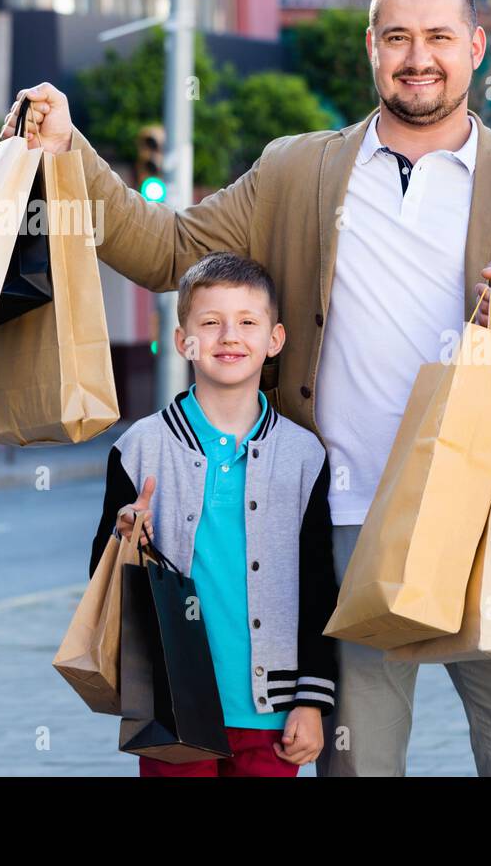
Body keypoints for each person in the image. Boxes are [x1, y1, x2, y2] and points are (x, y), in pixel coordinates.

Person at [6, 0, 491, 777]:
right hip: (340, 523)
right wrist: (72, 153)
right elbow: (171, 252)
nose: (419, 57)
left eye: (439, 36)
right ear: (372, 47)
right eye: (398, 37)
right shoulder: (297, 170)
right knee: (357, 766)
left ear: (475, 47)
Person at [92, 252, 336, 776]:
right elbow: (101, 577)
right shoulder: (140, 448)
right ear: (184, 341)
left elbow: (318, 585)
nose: (230, 336)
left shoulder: (303, 456)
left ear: (274, 340)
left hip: (270, 711)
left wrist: (312, 701)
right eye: (210, 322)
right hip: (172, 703)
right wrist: (126, 537)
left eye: (247, 322)